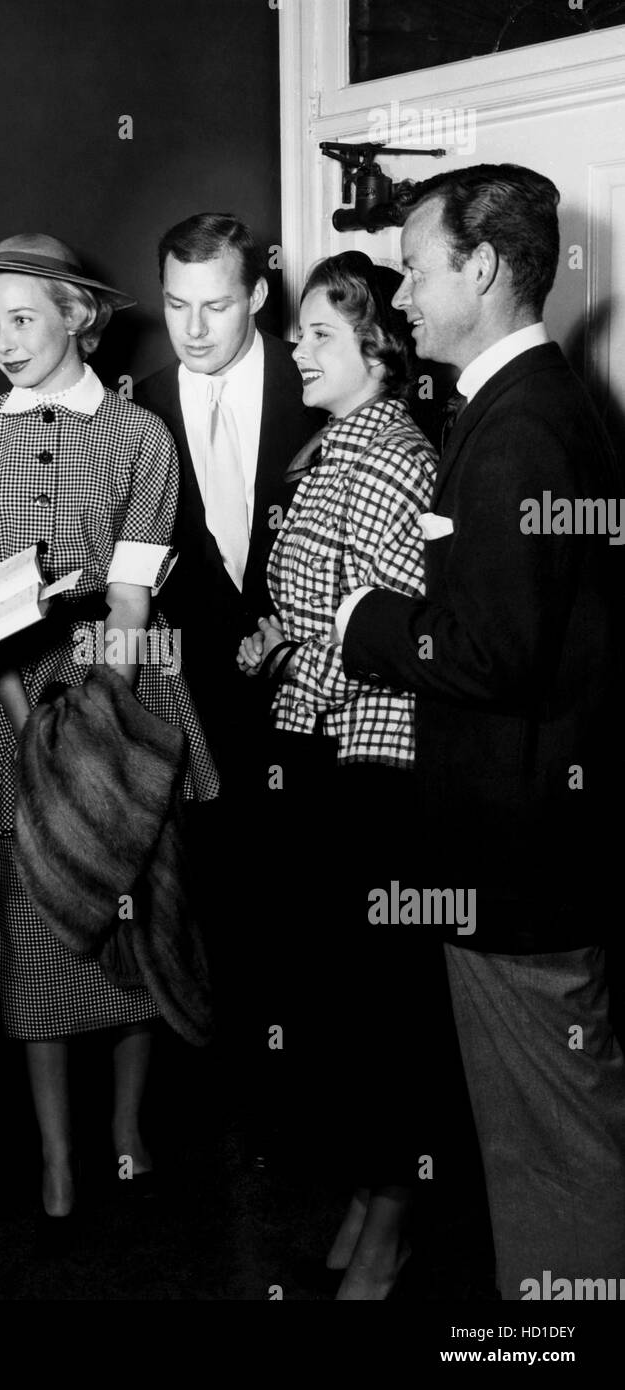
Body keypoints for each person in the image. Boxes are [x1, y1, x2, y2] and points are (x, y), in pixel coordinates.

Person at [337, 164, 625, 1299]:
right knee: (554, 1132)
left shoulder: (515, 429)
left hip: (514, 872)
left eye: (413, 270)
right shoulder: (531, 405)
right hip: (535, 860)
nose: (399, 299)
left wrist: (364, 618)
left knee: (551, 1148)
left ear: (483, 269)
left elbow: (484, 653)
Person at [0, 234, 218, 1227]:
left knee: (134, 912)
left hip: (126, 692)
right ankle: (54, 1155)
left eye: (21, 317)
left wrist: (94, 724)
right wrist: (28, 718)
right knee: (32, 933)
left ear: (76, 316)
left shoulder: (139, 438)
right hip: (12, 699)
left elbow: (128, 602)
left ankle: (125, 1130)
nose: (1, 339)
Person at [238, 250, 440, 1299]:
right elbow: (330, 601)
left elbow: (397, 633)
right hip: (320, 756)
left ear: (376, 347)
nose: (295, 348)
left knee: (384, 1005)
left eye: (318, 333)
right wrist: (276, 631)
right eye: (299, 331)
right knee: (343, 1001)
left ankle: (398, 1209)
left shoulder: (391, 454)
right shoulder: (330, 447)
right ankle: (372, 1191)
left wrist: (288, 652)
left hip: (372, 764)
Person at [134, 213, 323, 1164]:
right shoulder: (142, 408)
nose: (194, 329)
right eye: (175, 305)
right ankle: (240, 1096)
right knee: (214, 891)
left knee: (315, 893)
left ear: (258, 295)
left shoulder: (324, 381)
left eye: (216, 305)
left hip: (320, 688)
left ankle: (321, 1097)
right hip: (198, 691)